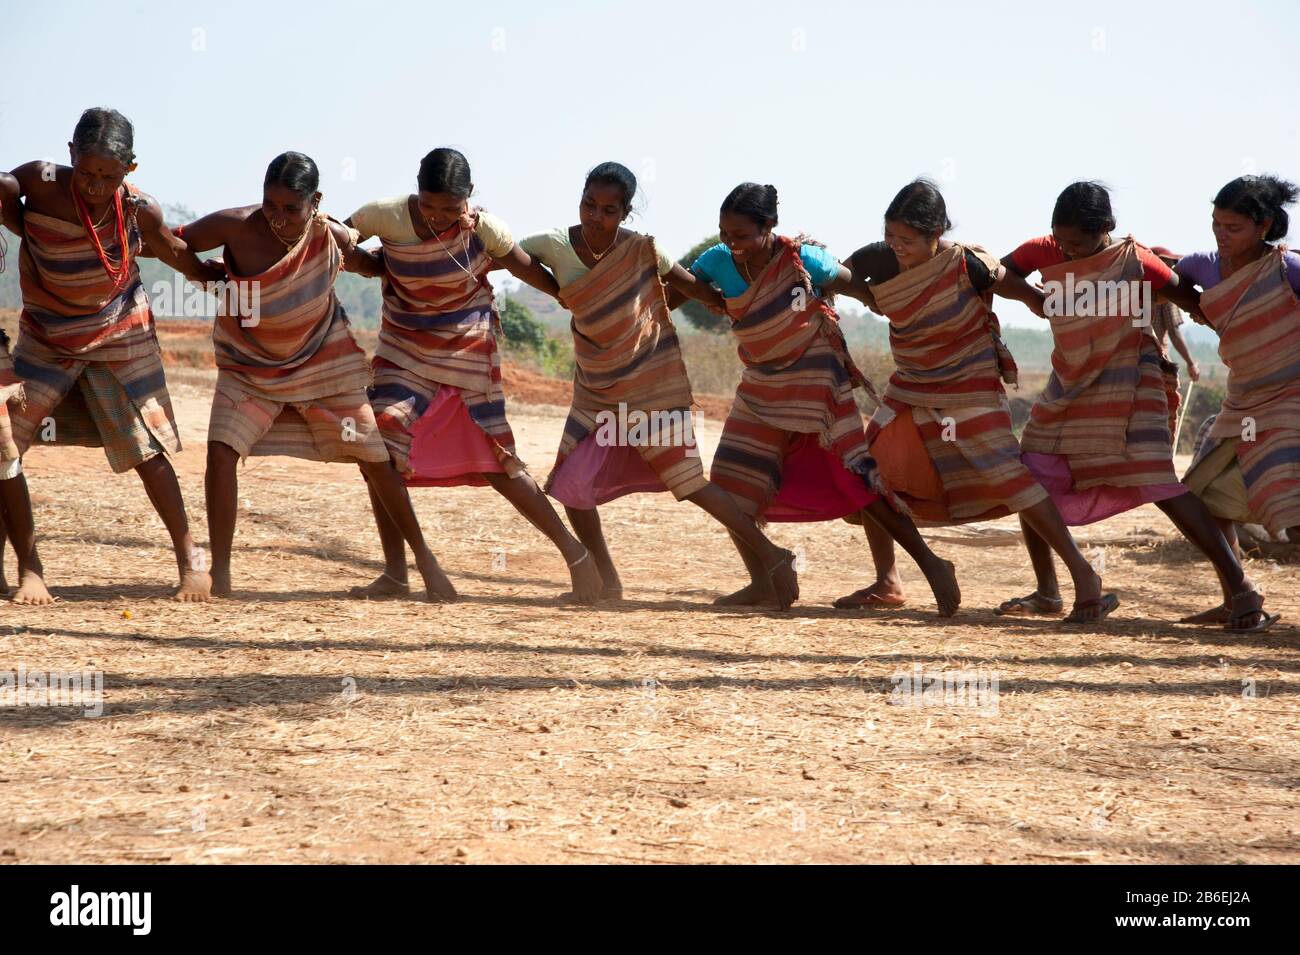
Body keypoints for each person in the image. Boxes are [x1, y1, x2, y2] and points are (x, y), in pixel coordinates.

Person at [177, 152, 455, 602]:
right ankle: (222, 572)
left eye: (291, 209)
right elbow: (174, 241)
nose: (278, 218)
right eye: (270, 205)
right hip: (249, 365)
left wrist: (411, 267)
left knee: (376, 460)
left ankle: (425, 562)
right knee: (220, 452)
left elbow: (368, 264)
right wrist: (202, 273)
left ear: (316, 202)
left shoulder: (331, 236)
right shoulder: (233, 226)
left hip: (323, 361)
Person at [520, 163, 799, 607]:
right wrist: (555, 289)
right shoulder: (552, 243)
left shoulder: (642, 250)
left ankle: (773, 556)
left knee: (688, 481)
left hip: (649, 384)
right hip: (594, 386)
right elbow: (511, 258)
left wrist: (737, 303)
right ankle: (603, 577)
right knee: (571, 482)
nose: (596, 216)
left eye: (609, 210)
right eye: (589, 204)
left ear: (626, 213)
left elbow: (689, 286)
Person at [1001, 181, 1276, 631]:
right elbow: (997, 272)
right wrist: (1034, 299)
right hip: (1069, 383)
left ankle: (1242, 590)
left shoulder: (1134, 261)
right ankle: (1049, 591)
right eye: (1062, 239)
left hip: (1133, 383)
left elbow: (1193, 301)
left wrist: (1251, 326)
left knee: (1158, 484)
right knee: (1027, 475)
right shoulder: (1042, 250)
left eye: (1079, 242)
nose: (1069, 251)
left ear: (1106, 228)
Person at [839, 179, 1108, 621]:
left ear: (936, 234)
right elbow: (839, 278)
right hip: (911, 387)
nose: (897, 247)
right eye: (891, 237)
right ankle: (888, 580)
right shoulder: (875, 260)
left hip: (971, 389)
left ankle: (1084, 576)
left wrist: (1074, 312)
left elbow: (1030, 297)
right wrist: (866, 295)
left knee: (1010, 477)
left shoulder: (969, 263)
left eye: (907, 240)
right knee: (867, 469)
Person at [689, 182, 961, 616]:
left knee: (855, 476)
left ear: (770, 227)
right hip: (761, 384)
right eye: (725, 233)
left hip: (817, 385)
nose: (731, 243)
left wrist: (914, 310)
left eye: (741, 235)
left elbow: (862, 292)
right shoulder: (717, 261)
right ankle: (763, 578)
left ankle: (932, 564)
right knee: (728, 481)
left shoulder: (804, 259)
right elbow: (684, 289)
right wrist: (702, 294)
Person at [345, 148, 602, 603]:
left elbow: (524, 264)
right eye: (430, 205)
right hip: (403, 346)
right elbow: (342, 244)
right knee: (379, 448)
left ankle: (579, 559)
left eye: (451, 207)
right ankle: (401, 571)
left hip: (466, 349)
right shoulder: (382, 215)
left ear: (470, 198)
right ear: (416, 192)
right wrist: (371, 262)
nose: (441, 216)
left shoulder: (485, 228)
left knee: (496, 460)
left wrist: (569, 296)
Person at [6, 107, 219, 602]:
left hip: (118, 330)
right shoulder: (36, 183)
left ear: (131, 169)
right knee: (6, 445)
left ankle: (191, 561)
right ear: (70, 155)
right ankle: (28, 568)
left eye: (109, 175)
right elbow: (6, 200)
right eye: (86, 171)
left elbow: (172, 250)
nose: (96, 185)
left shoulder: (139, 210)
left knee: (146, 447)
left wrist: (215, 280)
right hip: (47, 332)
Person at [1176, 175, 1300, 614]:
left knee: (1292, 505)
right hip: (1241, 401)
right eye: (1216, 225)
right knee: (1197, 497)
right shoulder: (1204, 265)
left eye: (1234, 228)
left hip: (1290, 402)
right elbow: (1166, 270)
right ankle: (1238, 595)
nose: (1221, 236)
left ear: (1263, 226)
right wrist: (1194, 305)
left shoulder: (1288, 269)